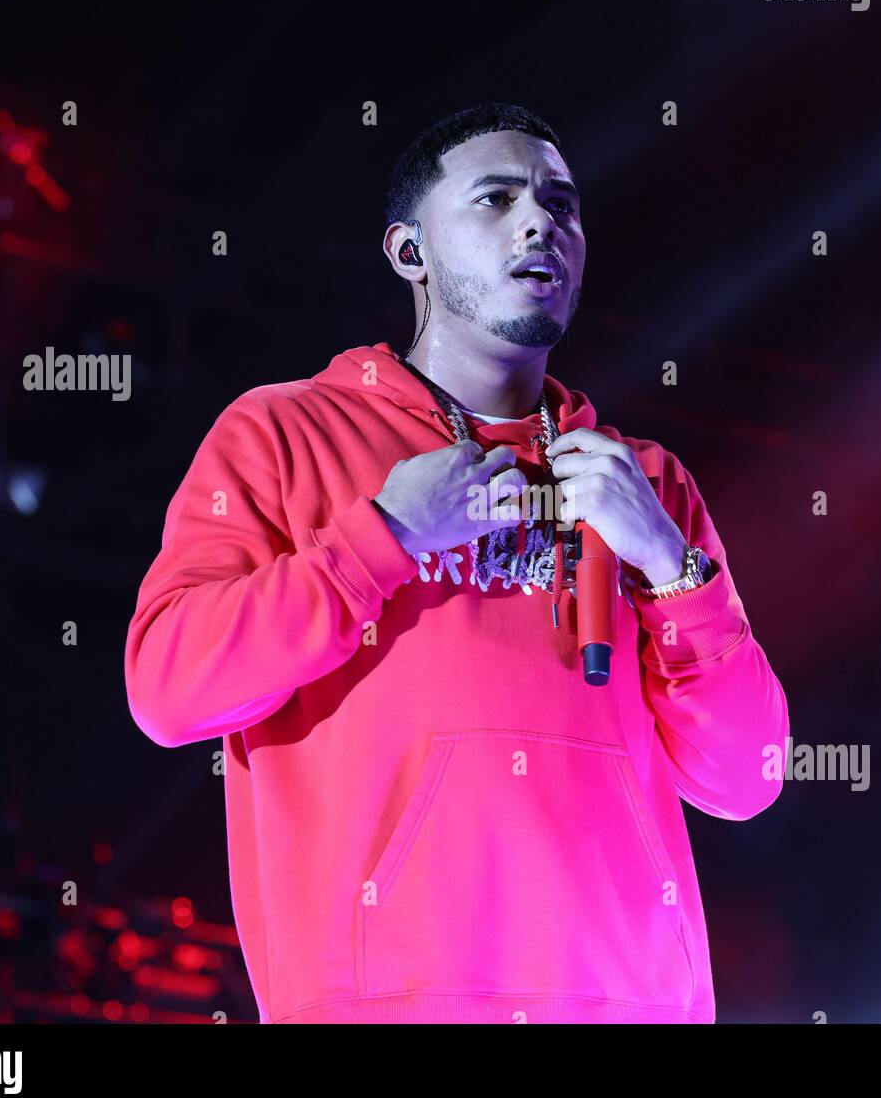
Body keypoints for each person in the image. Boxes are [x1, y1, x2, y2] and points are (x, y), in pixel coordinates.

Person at [124, 102, 790, 1024]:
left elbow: (747, 776)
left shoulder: (644, 484)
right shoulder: (283, 432)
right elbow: (168, 688)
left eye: (561, 204)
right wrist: (385, 534)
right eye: (495, 198)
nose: (538, 222)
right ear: (409, 252)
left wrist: (671, 568)